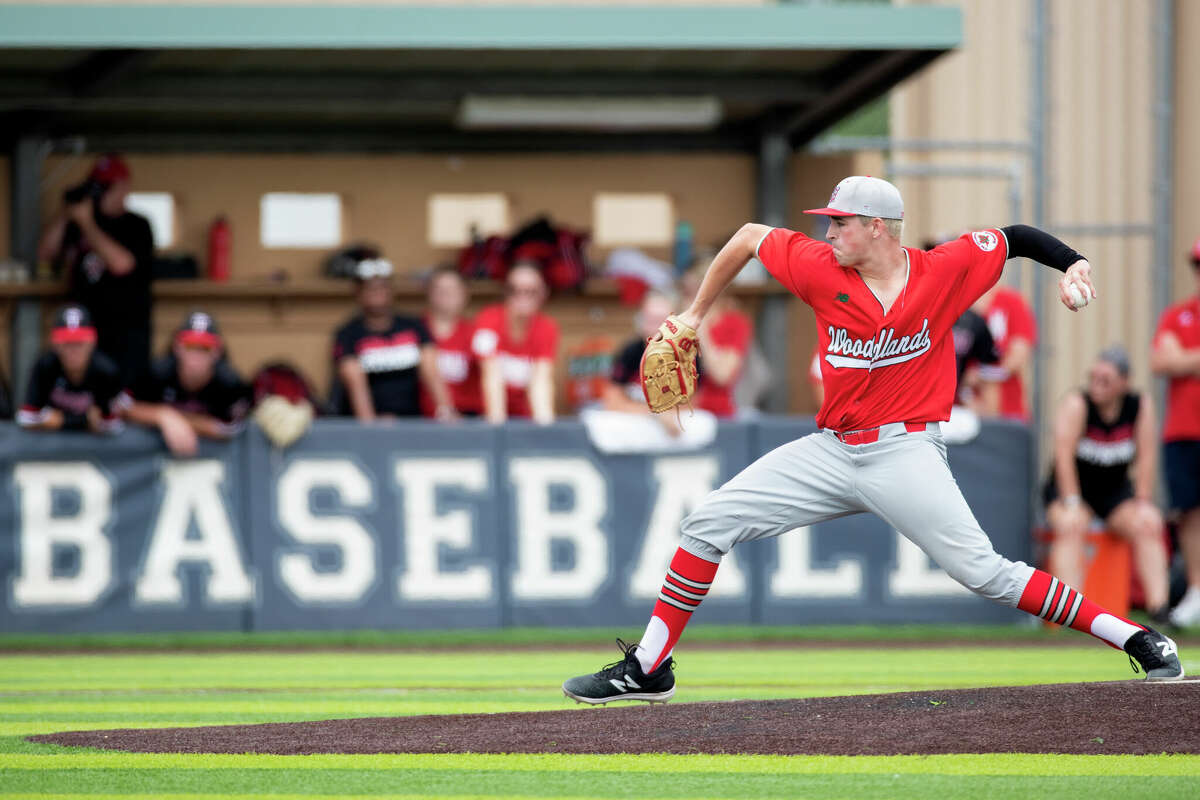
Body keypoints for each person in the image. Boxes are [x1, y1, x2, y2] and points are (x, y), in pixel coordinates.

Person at [561, 176, 1182, 706]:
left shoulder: (945, 270)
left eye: (839, 223)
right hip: (831, 450)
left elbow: (1016, 237)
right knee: (706, 524)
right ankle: (648, 667)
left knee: (986, 573)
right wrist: (694, 314)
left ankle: (1136, 638)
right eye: (827, 224)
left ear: (879, 227)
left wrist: (1072, 261)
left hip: (906, 451)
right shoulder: (817, 268)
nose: (828, 234)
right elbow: (751, 236)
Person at [1043, 347, 1170, 621]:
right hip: (1074, 489)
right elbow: (1062, 456)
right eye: (1093, 378)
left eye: (1106, 380)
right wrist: (1072, 503)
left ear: (1124, 383)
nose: (1096, 386)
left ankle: (1159, 609)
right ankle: (1068, 613)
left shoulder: (1138, 405)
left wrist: (1143, 500)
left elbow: (1147, 455)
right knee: (1071, 525)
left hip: (1114, 492)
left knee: (1148, 522)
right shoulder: (1078, 404)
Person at [38, 154, 155, 386]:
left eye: (107, 187)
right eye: (97, 187)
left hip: (126, 332)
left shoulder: (137, 225)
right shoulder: (79, 222)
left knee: (124, 400)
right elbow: (44, 254)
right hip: (84, 331)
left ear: (123, 188)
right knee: (85, 396)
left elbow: (121, 264)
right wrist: (65, 214)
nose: (100, 193)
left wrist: (86, 224)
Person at [331, 254, 456, 422]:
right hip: (368, 423)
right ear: (358, 293)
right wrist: (371, 425)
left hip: (412, 420)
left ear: (391, 290)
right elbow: (356, 384)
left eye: (382, 287)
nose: (377, 293)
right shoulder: (348, 333)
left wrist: (447, 412)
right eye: (370, 288)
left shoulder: (413, 326)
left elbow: (432, 372)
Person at [1150, 237, 1200, 627]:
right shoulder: (1178, 315)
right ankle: (1196, 591)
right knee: (1188, 512)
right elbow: (1162, 359)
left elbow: (1178, 357)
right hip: (1184, 429)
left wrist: (1187, 357)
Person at [124, 311, 253, 457]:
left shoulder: (229, 383)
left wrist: (179, 421)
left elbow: (230, 428)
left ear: (217, 352)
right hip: (151, 459)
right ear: (177, 347)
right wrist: (163, 416)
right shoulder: (157, 373)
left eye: (205, 348)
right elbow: (124, 406)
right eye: (190, 346)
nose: (196, 356)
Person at [17, 304, 129, 434]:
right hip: (50, 445)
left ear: (91, 343)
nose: (73, 351)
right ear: (56, 344)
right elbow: (25, 418)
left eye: (79, 343)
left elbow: (113, 425)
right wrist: (83, 420)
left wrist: (55, 419)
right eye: (67, 343)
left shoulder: (106, 371)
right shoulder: (45, 366)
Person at [472, 262, 559, 424]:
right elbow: (491, 377)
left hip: (522, 417)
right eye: (514, 290)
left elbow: (541, 381)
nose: (522, 296)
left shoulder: (546, 327)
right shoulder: (488, 319)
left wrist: (545, 427)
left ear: (544, 293)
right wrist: (497, 430)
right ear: (506, 292)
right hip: (483, 416)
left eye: (531, 291)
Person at [603, 288, 684, 436]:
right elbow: (611, 400)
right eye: (649, 320)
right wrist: (655, 414)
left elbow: (692, 406)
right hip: (636, 432)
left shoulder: (686, 355)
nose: (656, 329)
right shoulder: (630, 353)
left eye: (662, 322)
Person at [680, 267, 753, 418]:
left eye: (696, 293)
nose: (690, 301)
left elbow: (722, 376)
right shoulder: (675, 321)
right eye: (687, 293)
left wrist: (701, 330)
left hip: (715, 414)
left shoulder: (734, 323)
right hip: (676, 414)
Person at [421, 267, 482, 417]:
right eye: (439, 289)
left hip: (468, 419)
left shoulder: (476, 332)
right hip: (421, 420)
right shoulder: (415, 330)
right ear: (429, 293)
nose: (446, 294)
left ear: (465, 294)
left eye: (453, 289)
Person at [974, 284, 1037, 420]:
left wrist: (979, 376)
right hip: (962, 412)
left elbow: (1018, 356)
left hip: (1007, 411)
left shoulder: (1010, 301)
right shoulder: (956, 301)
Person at [950, 307, 1002, 413]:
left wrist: (965, 394)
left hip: (958, 408)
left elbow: (988, 369)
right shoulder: (924, 316)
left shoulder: (974, 322)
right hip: (924, 405)